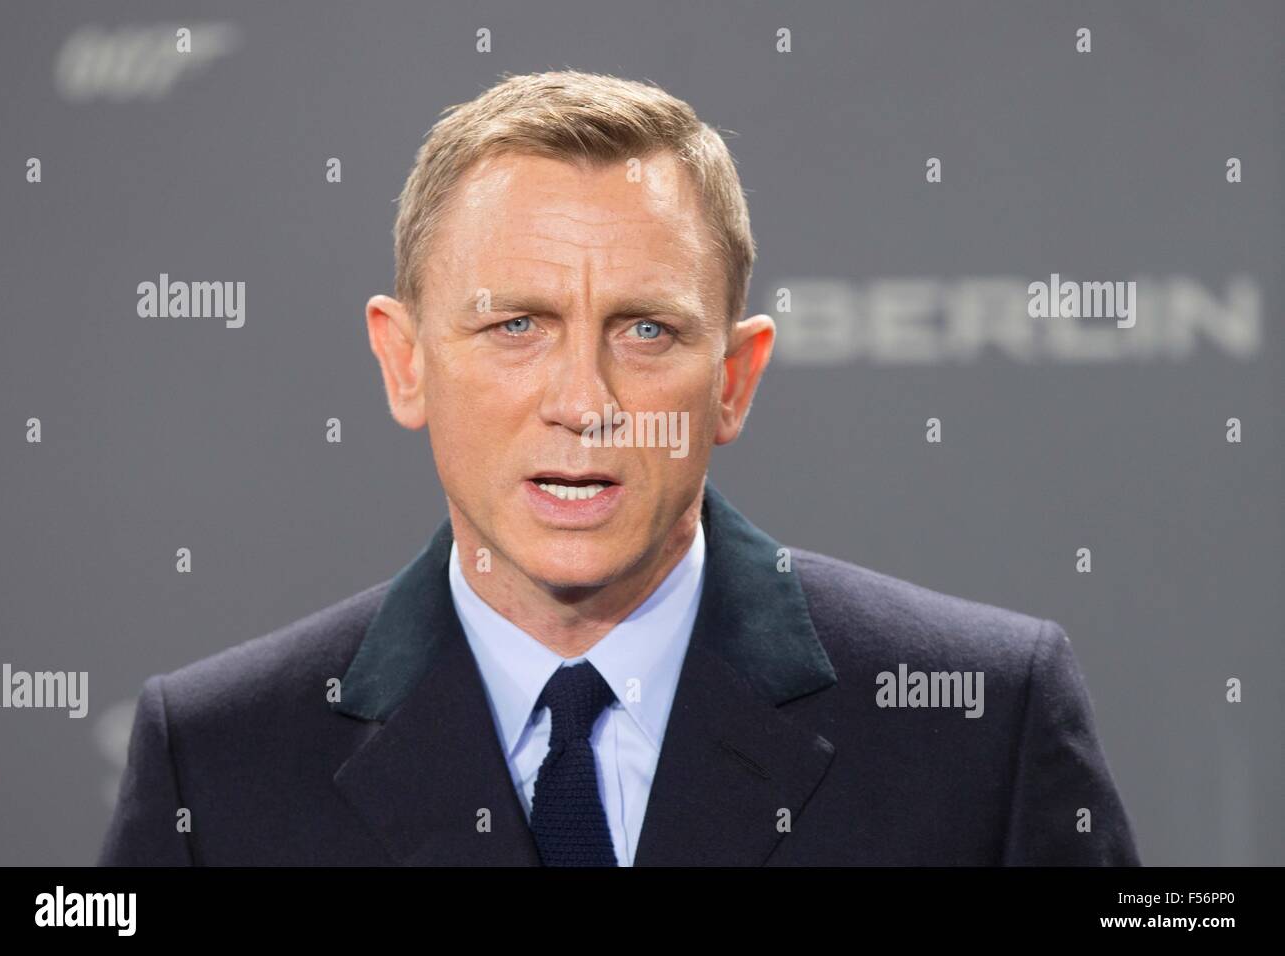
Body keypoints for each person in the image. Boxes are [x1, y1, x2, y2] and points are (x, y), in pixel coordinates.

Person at [98, 69, 1140, 866]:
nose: (584, 402)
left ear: (732, 379)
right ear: (404, 361)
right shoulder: (218, 761)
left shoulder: (981, 725)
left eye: (645, 329)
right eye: (516, 325)